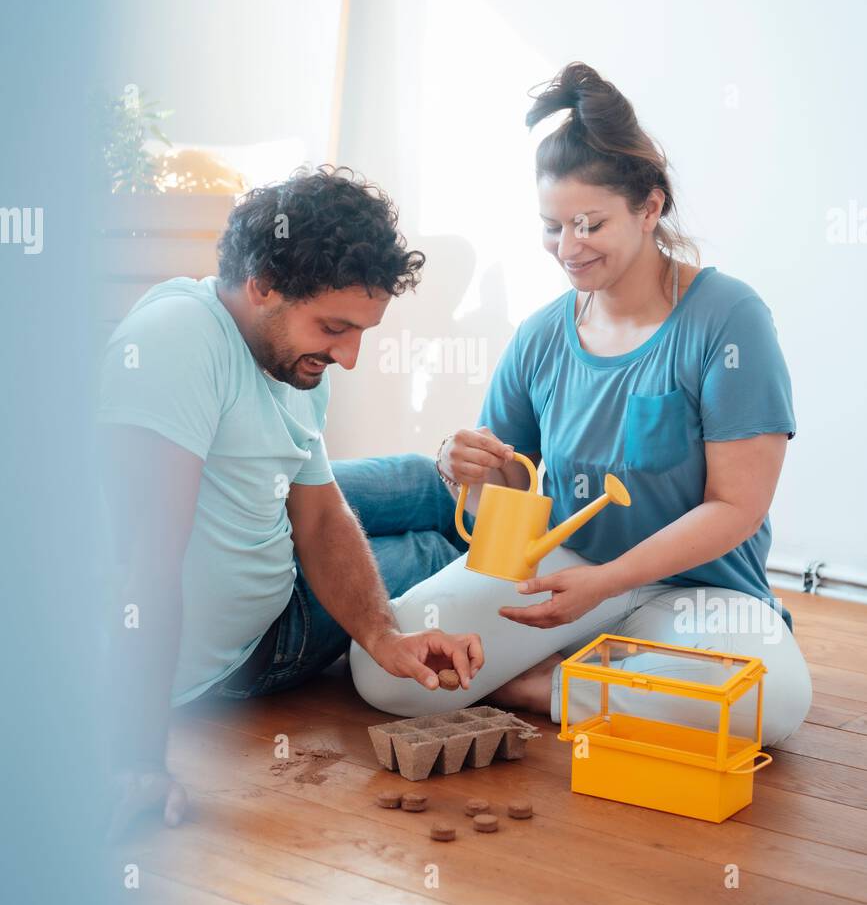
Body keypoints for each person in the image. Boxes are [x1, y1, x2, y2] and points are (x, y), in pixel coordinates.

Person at [349, 63, 813, 746]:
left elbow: (735, 507)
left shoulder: (727, 318)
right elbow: (508, 501)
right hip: (556, 578)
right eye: (550, 227)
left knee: (773, 702)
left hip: (699, 591)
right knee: (381, 671)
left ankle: (542, 686)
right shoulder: (541, 335)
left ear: (649, 208)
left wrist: (605, 585)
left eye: (589, 224)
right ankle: (612, 677)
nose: (567, 248)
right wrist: (467, 471)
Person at [98, 167, 482, 836]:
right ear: (263, 284)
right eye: (335, 327)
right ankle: (520, 555)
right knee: (435, 544)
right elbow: (145, 569)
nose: (351, 357)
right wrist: (132, 759)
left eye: (361, 330)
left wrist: (383, 634)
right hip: (264, 641)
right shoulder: (174, 343)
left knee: (426, 481)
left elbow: (321, 513)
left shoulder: (289, 360)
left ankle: (503, 522)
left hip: (273, 525)